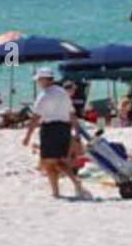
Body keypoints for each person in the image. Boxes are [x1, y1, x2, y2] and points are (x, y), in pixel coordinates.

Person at [21, 68, 90, 199]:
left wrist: (27, 136)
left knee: (50, 161)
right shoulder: (63, 93)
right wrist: (76, 131)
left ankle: (73, 182)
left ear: (45, 80)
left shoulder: (44, 96)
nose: (38, 82)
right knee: (54, 161)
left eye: (39, 80)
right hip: (64, 128)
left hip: (50, 128)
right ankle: (56, 191)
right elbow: (71, 113)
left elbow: (35, 117)